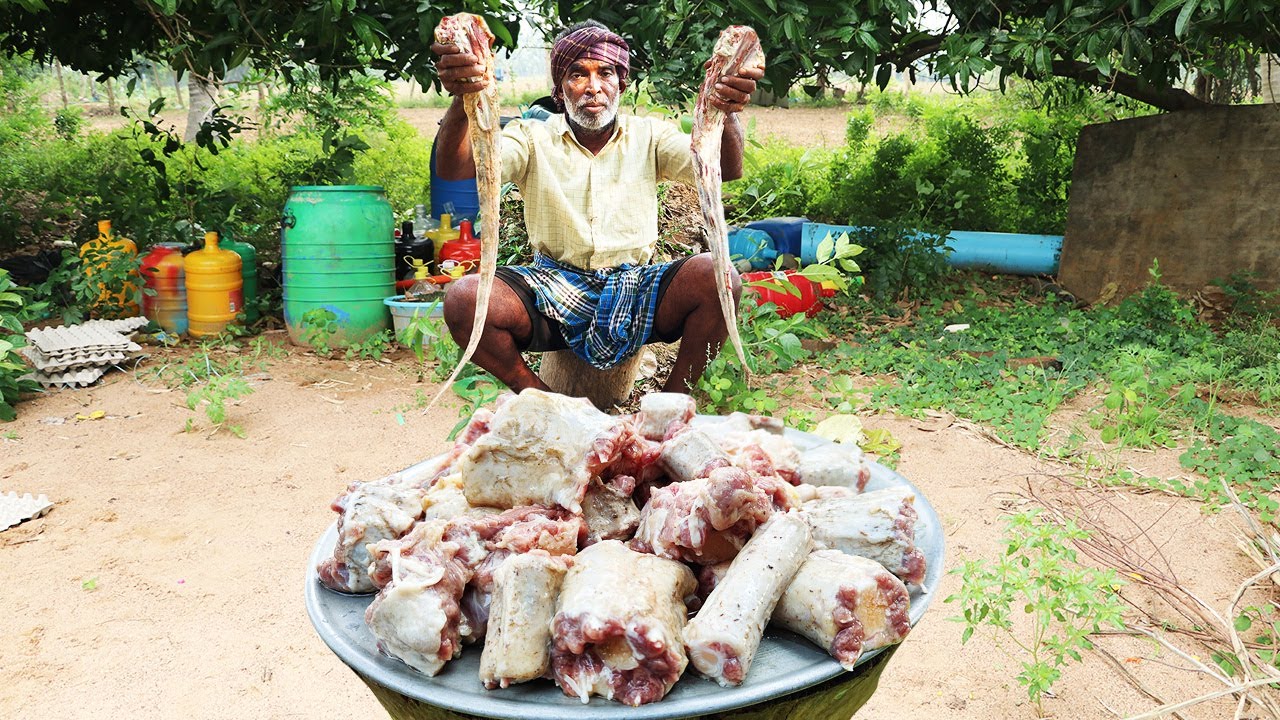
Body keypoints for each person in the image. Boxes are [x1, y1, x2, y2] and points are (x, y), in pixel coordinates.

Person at [431, 19, 762, 394]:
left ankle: (672, 402)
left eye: (605, 72)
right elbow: (455, 170)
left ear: (621, 83)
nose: (593, 87)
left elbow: (724, 168)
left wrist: (726, 107)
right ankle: (542, 399)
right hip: (553, 287)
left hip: (636, 286)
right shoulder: (531, 136)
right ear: (560, 89)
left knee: (718, 276)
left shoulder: (649, 135)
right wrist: (463, 96)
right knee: (464, 299)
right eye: (577, 74)